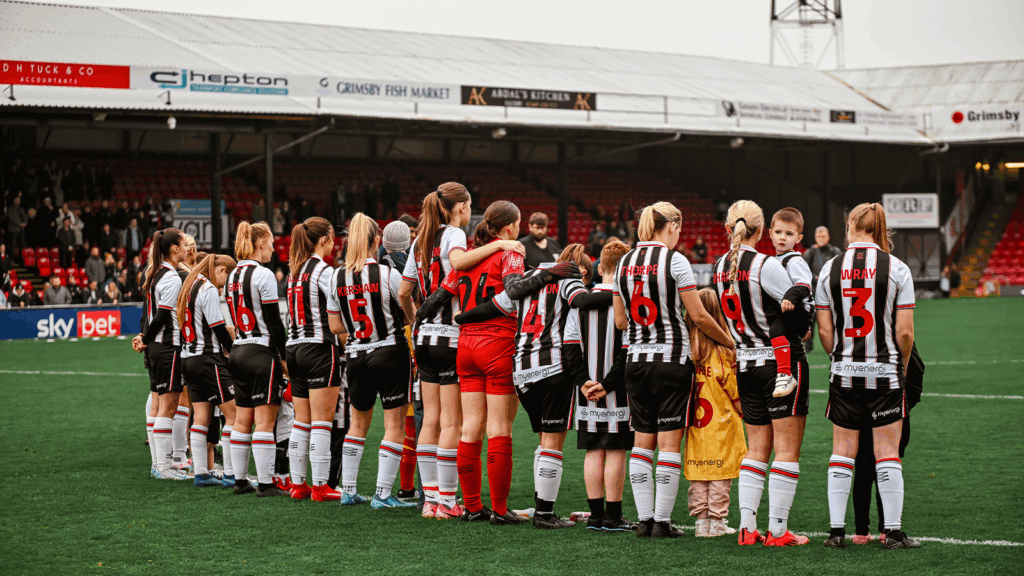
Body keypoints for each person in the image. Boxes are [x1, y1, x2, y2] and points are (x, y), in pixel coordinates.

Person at [416, 200, 576, 523]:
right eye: (517, 223)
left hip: (466, 347)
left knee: (470, 426)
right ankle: (501, 511)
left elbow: (433, 301)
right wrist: (551, 274)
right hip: (498, 343)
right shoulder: (511, 251)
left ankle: (473, 508)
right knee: (499, 427)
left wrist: (418, 320)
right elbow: (515, 289)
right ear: (510, 228)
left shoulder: (467, 259)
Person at [397, 183, 523, 519]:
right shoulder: (453, 234)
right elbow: (458, 262)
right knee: (452, 422)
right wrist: (504, 245)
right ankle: (447, 501)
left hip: (424, 336)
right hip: (455, 335)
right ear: (463, 206)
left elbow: (403, 291)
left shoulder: (419, 241)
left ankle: (430, 500)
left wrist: (416, 322)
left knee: (430, 420)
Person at [613, 201, 734, 539]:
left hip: (635, 360)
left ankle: (644, 520)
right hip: (671, 359)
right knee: (668, 444)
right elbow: (697, 315)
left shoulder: (623, 262)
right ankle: (662, 522)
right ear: (672, 227)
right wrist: (728, 342)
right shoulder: (675, 260)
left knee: (642, 443)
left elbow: (621, 321)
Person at [458, 245, 591, 528]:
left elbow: (492, 307)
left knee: (544, 440)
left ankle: (540, 503)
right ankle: (544, 514)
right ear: (583, 270)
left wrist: (461, 319)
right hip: (554, 367)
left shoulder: (528, 279)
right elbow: (582, 303)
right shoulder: (570, 277)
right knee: (553, 442)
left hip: (521, 371)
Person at [817, 202, 920, 550]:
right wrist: (901, 368)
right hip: (885, 373)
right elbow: (905, 334)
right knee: (887, 452)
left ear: (850, 225)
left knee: (842, 452)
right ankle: (892, 532)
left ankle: (836, 533)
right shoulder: (898, 268)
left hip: (844, 373)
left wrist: (839, 358)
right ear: (880, 228)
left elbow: (825, 331)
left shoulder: (829, 268)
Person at [712, 200, 809, 547]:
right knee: (785, 449)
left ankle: (747, 529)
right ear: (761, 229)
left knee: (756, 450)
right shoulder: (764, 263)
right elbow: (796, 309)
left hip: (746, 363)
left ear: (729, 227)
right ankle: (779, 532)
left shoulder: (720, 265)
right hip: (778, 362)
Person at [328, 213, 415, 509]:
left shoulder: (336, 276)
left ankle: (349, 490)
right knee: (394, 425)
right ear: (376, 241)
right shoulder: (388, 274)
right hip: (390, 351)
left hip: (355, 355)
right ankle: (382, 494)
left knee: (358, 424)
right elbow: (406, 308)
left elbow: (336, 327)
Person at [225, 221, 291, 497]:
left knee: (242, 419)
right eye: (271, 243)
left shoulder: (232, 276)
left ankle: (240, 480)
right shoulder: (263, 275)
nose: (274, 248)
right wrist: (286, 355)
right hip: (260, 351)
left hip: (238, 349)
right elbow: (274, 322)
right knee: (264, 421)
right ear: (260, 242)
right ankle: (266, 483)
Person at [284, 217, 346, 502]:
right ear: (323, 240)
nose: (334, 244)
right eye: (332, 238)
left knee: (301, 421)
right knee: (322, 421)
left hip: (293, 348)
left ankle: (298, 485)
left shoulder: (293, 271)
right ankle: (321, 487)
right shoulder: (324, 270)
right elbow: (338, 312)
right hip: (320, 347)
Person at [682, 289, 745, 538]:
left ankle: (700, 521)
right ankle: (717, 521)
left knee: (698, 471)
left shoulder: (685, 348)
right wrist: (744, 410)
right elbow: (732, 386)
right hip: (721, 419)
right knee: (721, 471)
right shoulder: (722, 351)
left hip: (695, 423)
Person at [177, 254, 240, 488]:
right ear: (220, 269)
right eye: (224, 280)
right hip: (207, 359)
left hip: (188, 359)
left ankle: (201, 473)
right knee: (235, 415)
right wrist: (234, 353)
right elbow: (218, 327)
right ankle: (232, 474)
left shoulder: (189, 285)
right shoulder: (208, 288)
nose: (223, 288)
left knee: (200, 417)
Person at [852, 344, 924, 545]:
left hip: (856, 405)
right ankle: (888, 530)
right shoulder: (893, 328)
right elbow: (916, 370)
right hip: (892, 405)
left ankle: (860, 532)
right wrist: (905, 404)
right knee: (889, 461)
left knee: (863, 466)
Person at [133, 228, 189, 481]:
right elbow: (164, 314)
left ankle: (158, 465)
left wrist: (144, 337)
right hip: (167, 346)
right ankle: (164, 467)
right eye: (184, 244)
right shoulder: (171, 277)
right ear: (174, 248)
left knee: (158, 405)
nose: (188, 248)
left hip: (156, 347)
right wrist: (145, 336)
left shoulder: (155, 273)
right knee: (168, 406)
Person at [771, 208, 814, 347]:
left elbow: (804, 286)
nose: (782, 237)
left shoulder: (795, 261)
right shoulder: (774, 260)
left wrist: (790, 297)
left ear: (798, 238)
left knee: (775, 333)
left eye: (789, 234)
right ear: (770, 233)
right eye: (778, 232)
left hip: (799, 314)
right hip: (786, 312)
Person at [802, 226, 842, 352]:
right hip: (813, 291)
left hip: (832, 290)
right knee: (811, 319)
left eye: (823, 236)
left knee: (835, 317)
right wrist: (815, 278)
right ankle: (808, 346)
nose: (821, 239)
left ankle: (837, 343)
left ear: (828, 237)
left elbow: (841, 268)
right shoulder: (810, 252)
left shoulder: (835, 251)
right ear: (815, 238)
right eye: (818, 236)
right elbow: (803, 269)